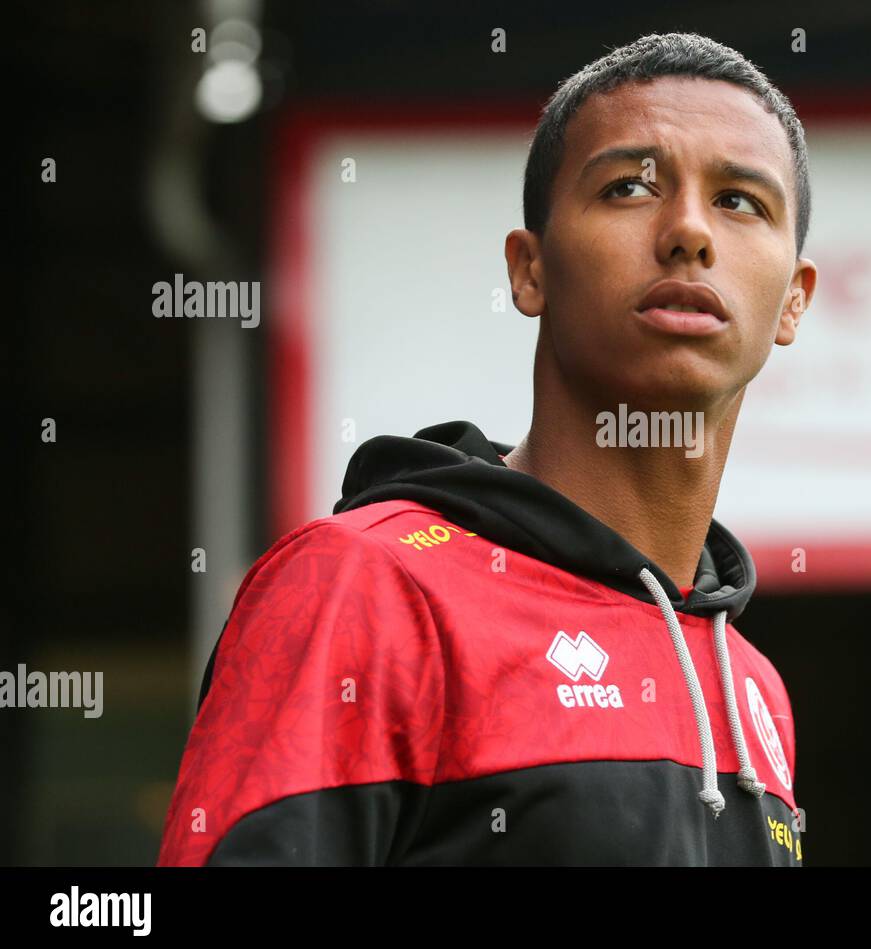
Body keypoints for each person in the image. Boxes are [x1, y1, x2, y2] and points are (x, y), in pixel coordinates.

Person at [158, 30, 817, 866]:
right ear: (528, 270)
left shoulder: (752, 689)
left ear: (794, 301)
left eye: (739, 202)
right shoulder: (366, 586)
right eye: (627, 188)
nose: (689, 230)